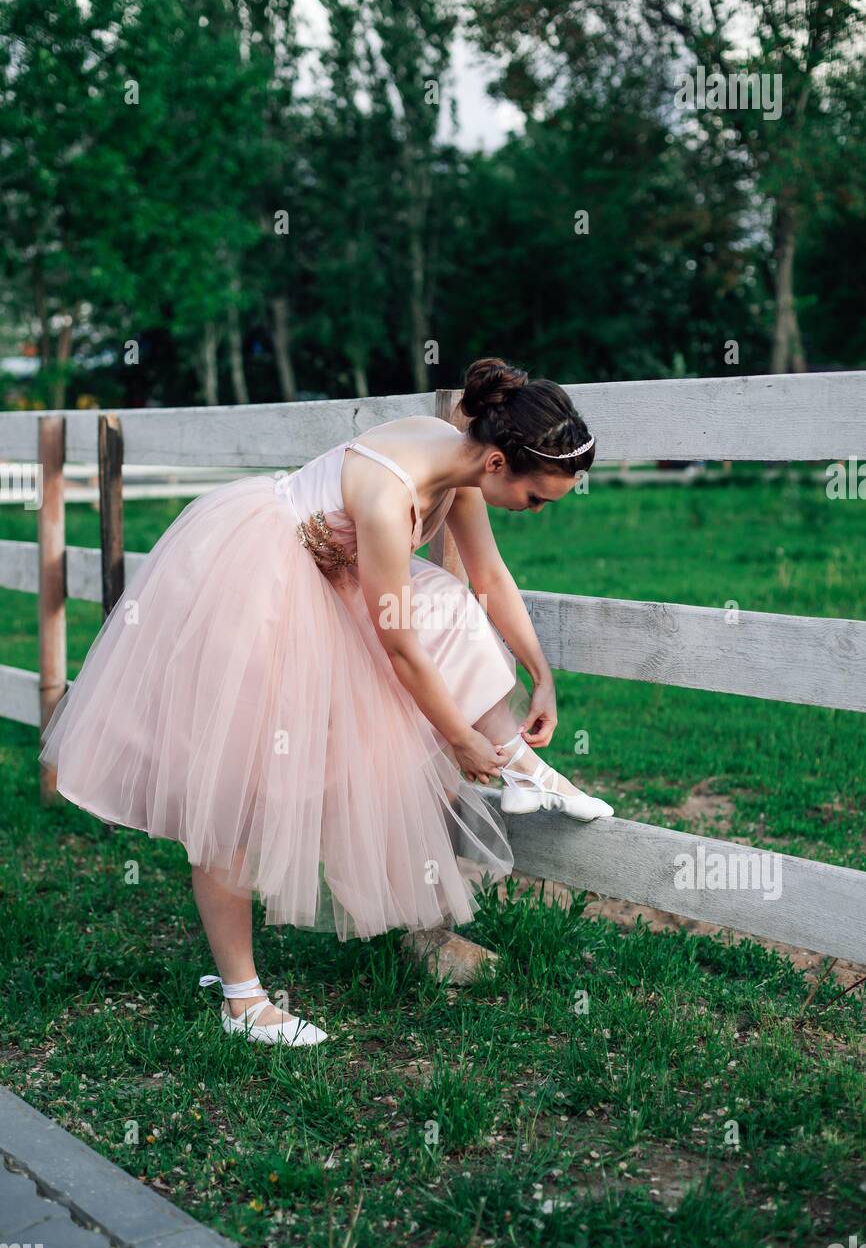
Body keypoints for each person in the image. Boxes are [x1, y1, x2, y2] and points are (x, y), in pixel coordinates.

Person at [38, 356, 613, 1047]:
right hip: (260, 599)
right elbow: (398, 645)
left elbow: (488, 575)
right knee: (241, 793)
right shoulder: (388, 493)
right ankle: (243, 999)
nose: (540, 512)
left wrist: (540, 672)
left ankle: (521, 769)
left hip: (335, 591)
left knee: (452, 606)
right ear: (497, 463)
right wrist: (458, 735)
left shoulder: (461, 467)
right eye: (538, 499)